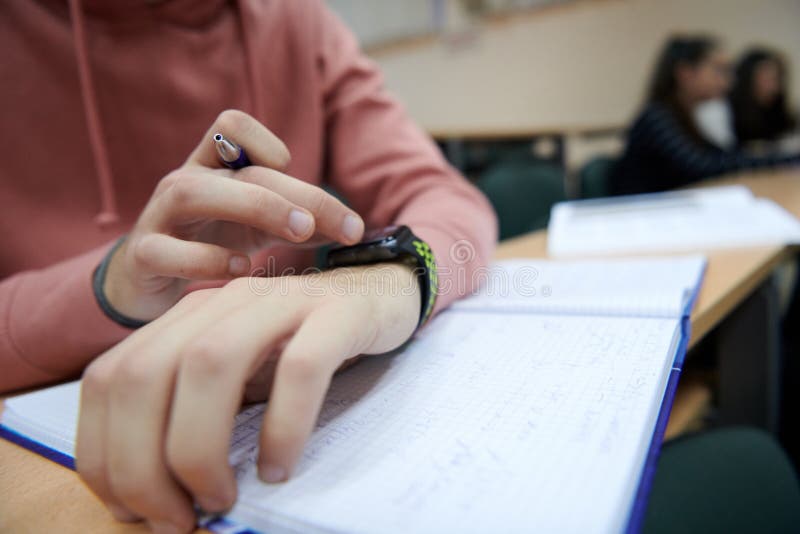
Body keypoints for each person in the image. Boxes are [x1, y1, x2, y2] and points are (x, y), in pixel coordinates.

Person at [1, 1, 496, 532]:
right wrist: (110, 287)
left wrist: (387, 276)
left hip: (272, 403)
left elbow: (443, 195)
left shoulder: (299, 22)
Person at [609, 35, 800, 196]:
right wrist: (782, 160)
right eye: (718, 70)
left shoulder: (686, 116)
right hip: (646, 215)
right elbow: (702, 167)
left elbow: (721, 156)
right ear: (685, 73)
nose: (727, 81)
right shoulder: (656, 117)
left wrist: (779, 158)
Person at [730, 47, 798, 149]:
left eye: (776, 79)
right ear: (747, 79)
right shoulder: (728, 112)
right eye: (766, 79)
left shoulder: (779, 111)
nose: (773, 87)